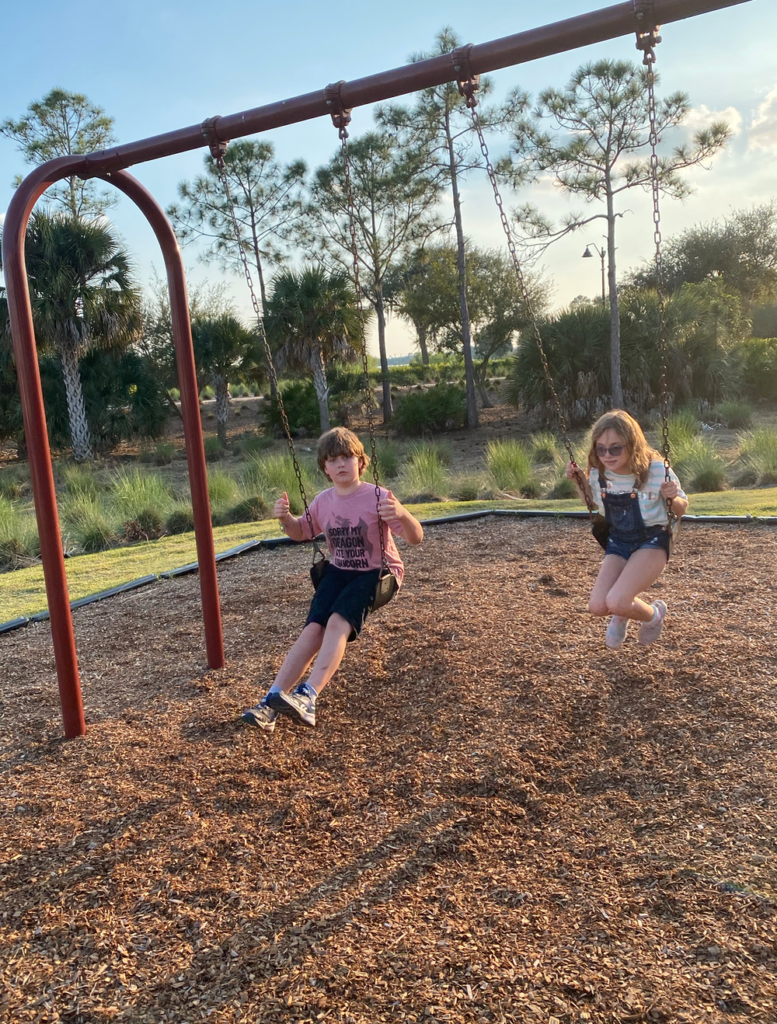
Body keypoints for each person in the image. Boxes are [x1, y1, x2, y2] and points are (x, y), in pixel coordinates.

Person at [241, 427, 424, 731]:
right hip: (339, 570)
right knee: (313, 628)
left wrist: (402, 513)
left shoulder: (377, 496)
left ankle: (308, 696)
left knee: (338, 621)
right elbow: (302, 531)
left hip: (378, 573)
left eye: (347, 457)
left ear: (360, 462)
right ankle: (270, 702)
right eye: (333, 459)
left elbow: (416, 538)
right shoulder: (324, 501)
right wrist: (286, 519)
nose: (341, 464)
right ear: (325, 468)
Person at [565, 409, 688, 649]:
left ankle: (653, 615)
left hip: (652, 540)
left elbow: (681, 508)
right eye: (601, 449)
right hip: (619, 541)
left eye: (615, 448)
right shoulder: (599, 473)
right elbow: (594, 505)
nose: (607, 455)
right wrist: (579, 480)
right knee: (598, 606)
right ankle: (623, 612)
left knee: (618, 600)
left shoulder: (656, 470)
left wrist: (673, 497)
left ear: (632, 444)